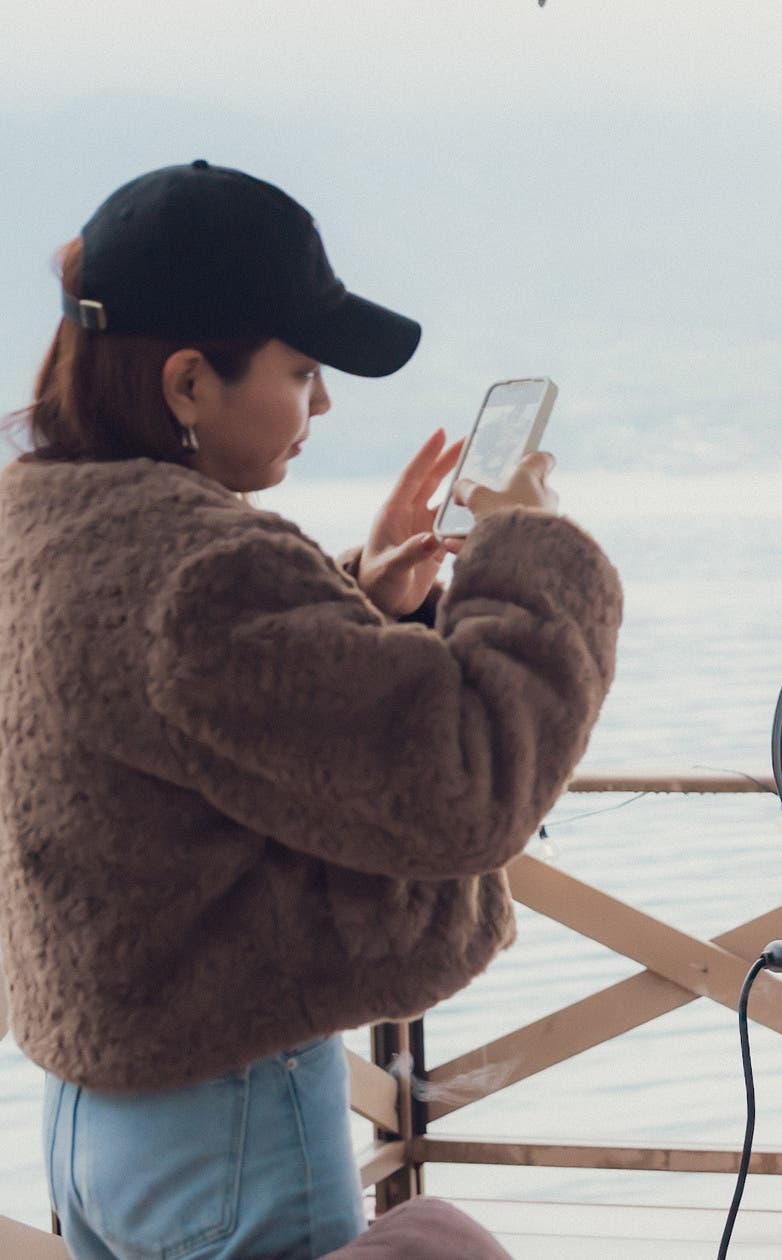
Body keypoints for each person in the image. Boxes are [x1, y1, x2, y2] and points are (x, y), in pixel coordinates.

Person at [0, 161, 622, 1259]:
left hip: (94, 1111)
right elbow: (472, 787)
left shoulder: (38, 525)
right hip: (226, 1114)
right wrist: (528, 549)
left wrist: (359, 600)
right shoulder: (204, 568)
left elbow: (173, 703)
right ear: (189, 382)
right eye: (300, 368)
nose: (323, 402)